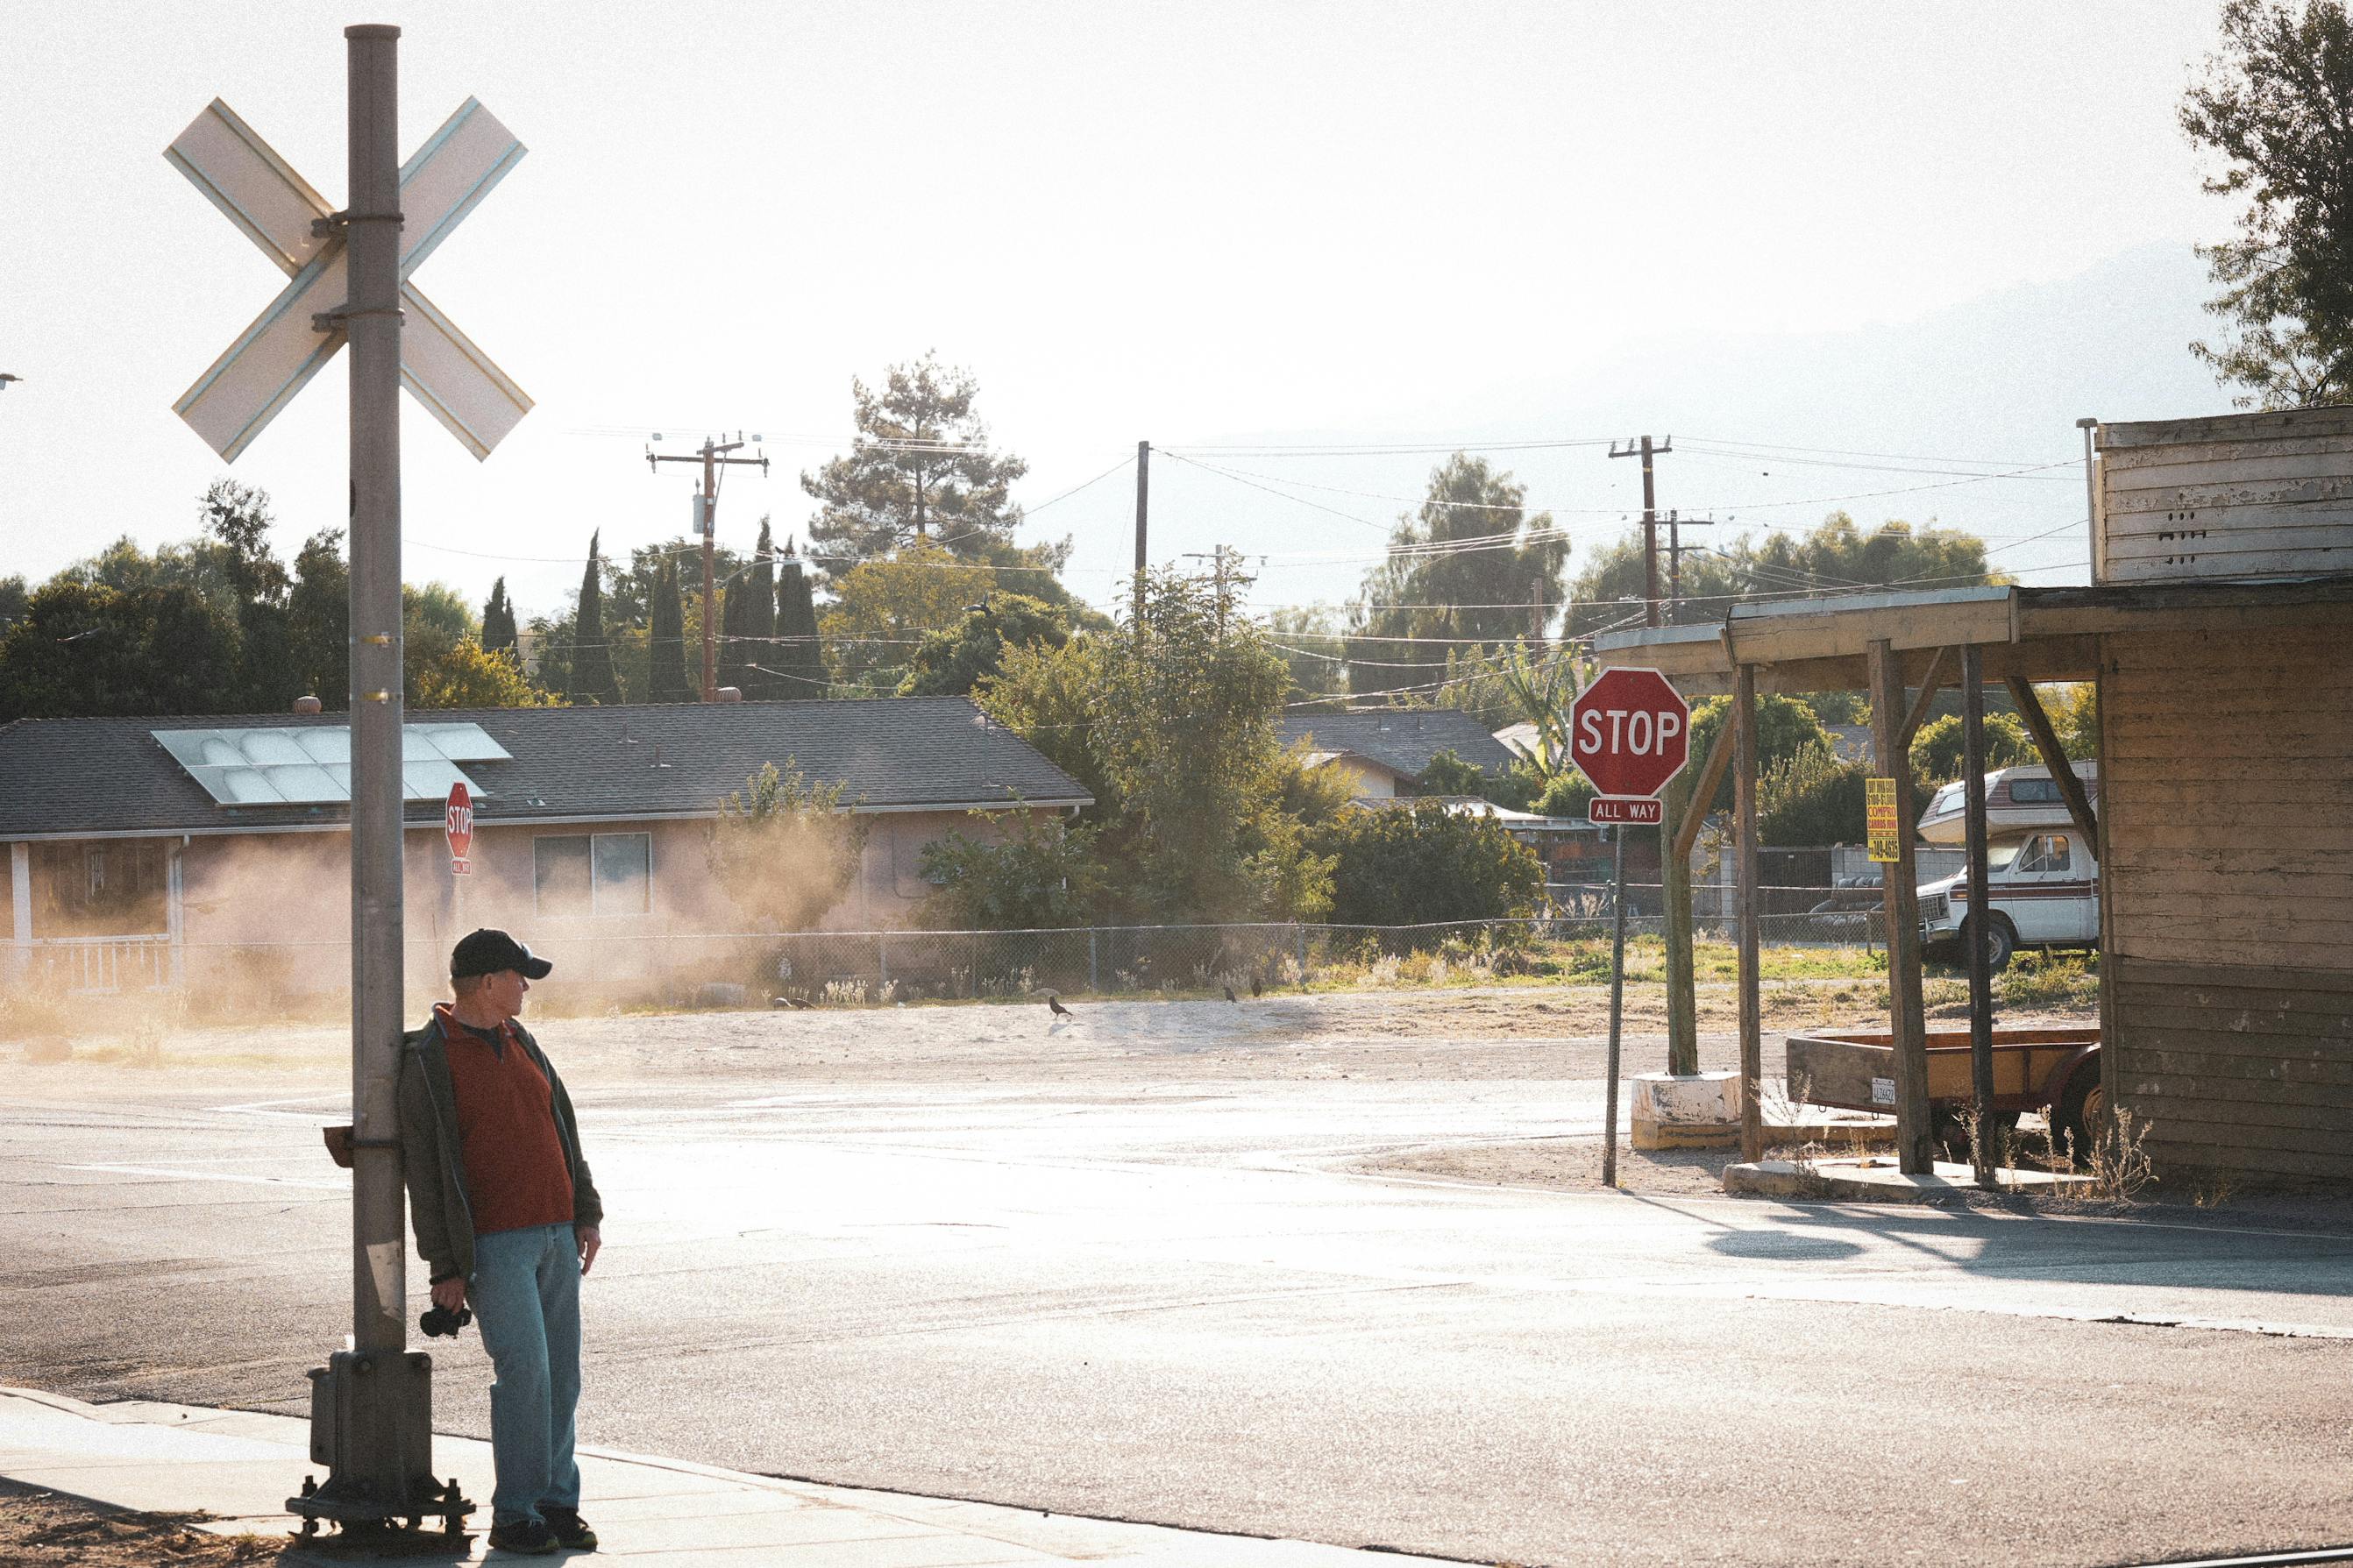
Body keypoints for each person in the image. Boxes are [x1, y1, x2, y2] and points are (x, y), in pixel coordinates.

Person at [398, 928, 604, 1557]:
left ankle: (554, 1501)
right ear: (486, 983)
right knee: (527, 1374)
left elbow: (562, 1126)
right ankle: (514, 1513)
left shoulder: (523, 1041)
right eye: (519, 976)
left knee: (562, 1376)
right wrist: (445, 1267)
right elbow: (425, 1175)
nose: (527, 986)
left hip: (553, 1235)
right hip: (494, 1245)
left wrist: (586, 1211)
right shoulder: (429, 1059)